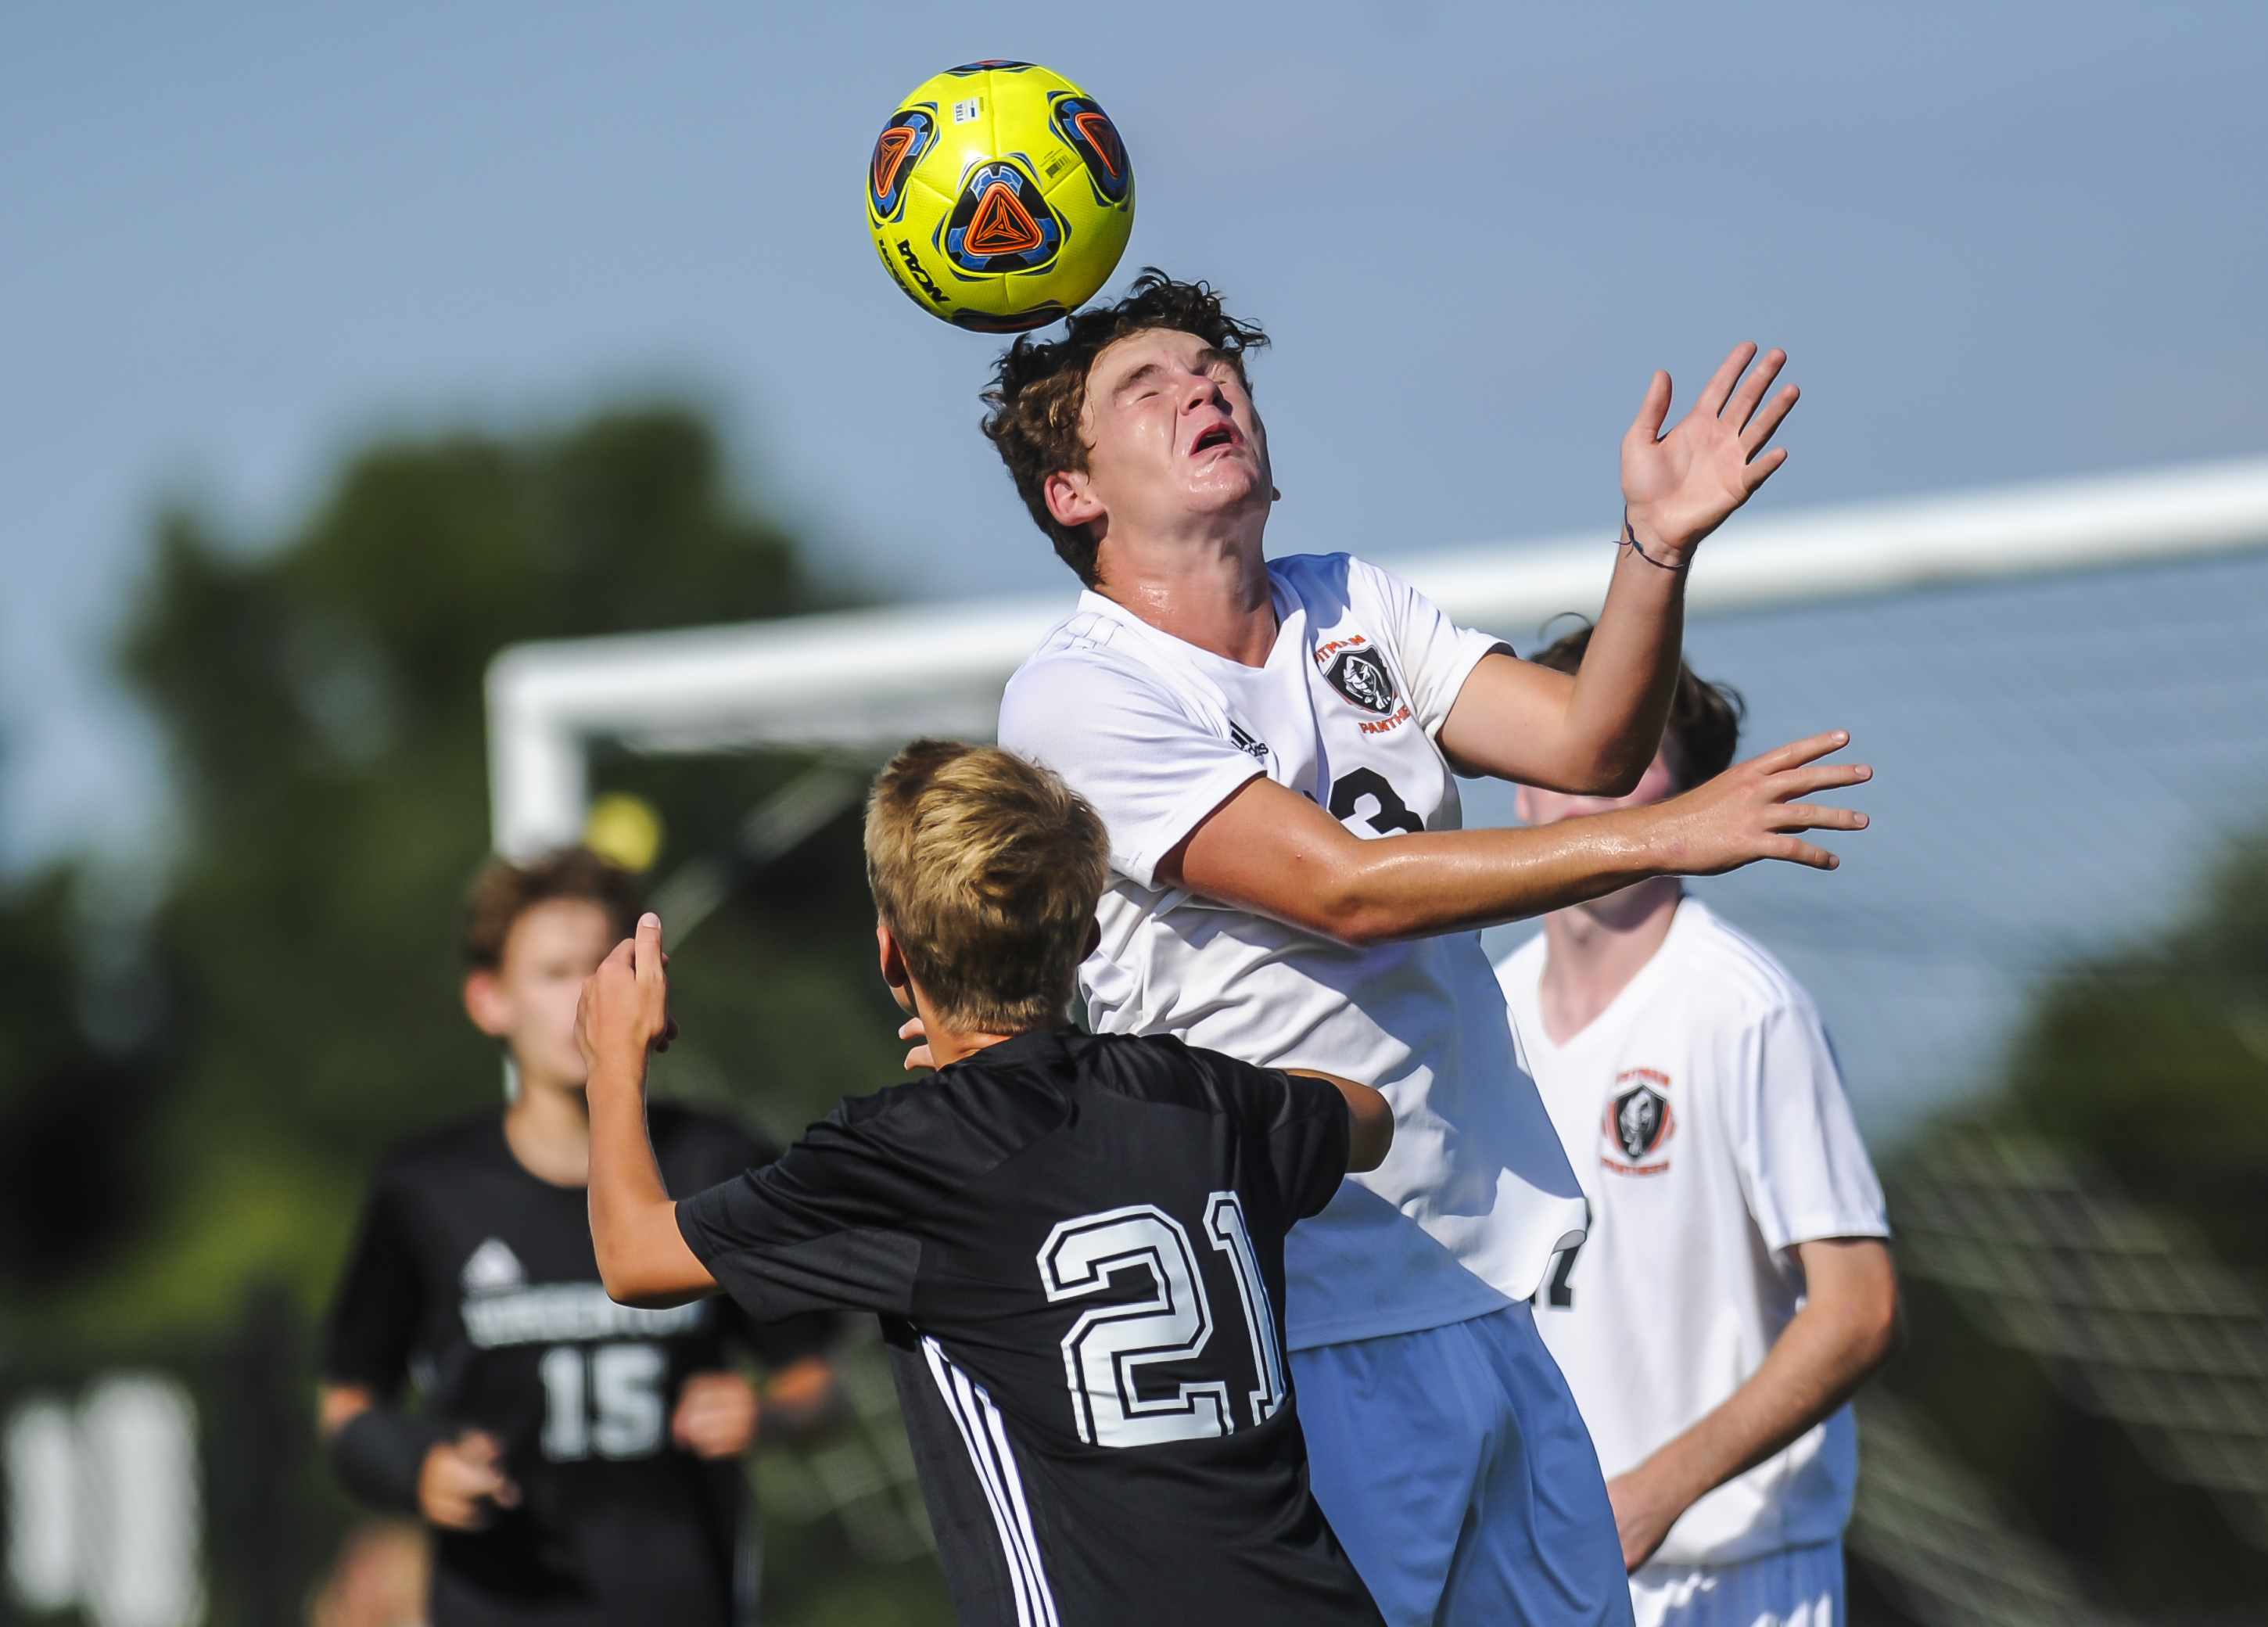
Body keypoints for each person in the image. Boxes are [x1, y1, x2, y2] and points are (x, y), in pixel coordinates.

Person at [982, 271, 1871, 1627]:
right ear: (1072, 494)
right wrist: (1657, 837)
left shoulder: (1352, 601)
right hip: (1302, 1318)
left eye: (1217, 370)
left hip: (1489, 1287)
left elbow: (1590, 746)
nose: (1204, 389)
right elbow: (1344, 892)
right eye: (1146, 389)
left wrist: (1654, 548)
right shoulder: (1079, 693)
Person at [580, 740, 1398, 1627]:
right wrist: (1133, 1073)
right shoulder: (1195, 1097)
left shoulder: (910, 1154)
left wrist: (613, 1064)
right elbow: (1367, 1117)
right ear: (1085, 940)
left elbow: (634, 1256)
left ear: (892, 957)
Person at [318, 847, 840, 1627]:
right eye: (554, 973)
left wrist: (769, 1416)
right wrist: (416, 1468)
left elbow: (817, 1378)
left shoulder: (714, 1161)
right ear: (489, 999)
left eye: (601, 971)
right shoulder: (426, 1187)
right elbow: (347, 1402)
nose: (582, 1000)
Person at [1495, 626, 1901, 1627]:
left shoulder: (1739, 1008)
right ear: (1520, 788)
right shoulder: (1482, 1017)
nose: (1592, 781)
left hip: (1728, 1578)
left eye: (1629, 756)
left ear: (1687, 800)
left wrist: (1652, 1494)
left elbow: (1858, 1308)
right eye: (1575, 747)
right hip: (1539, 1574)